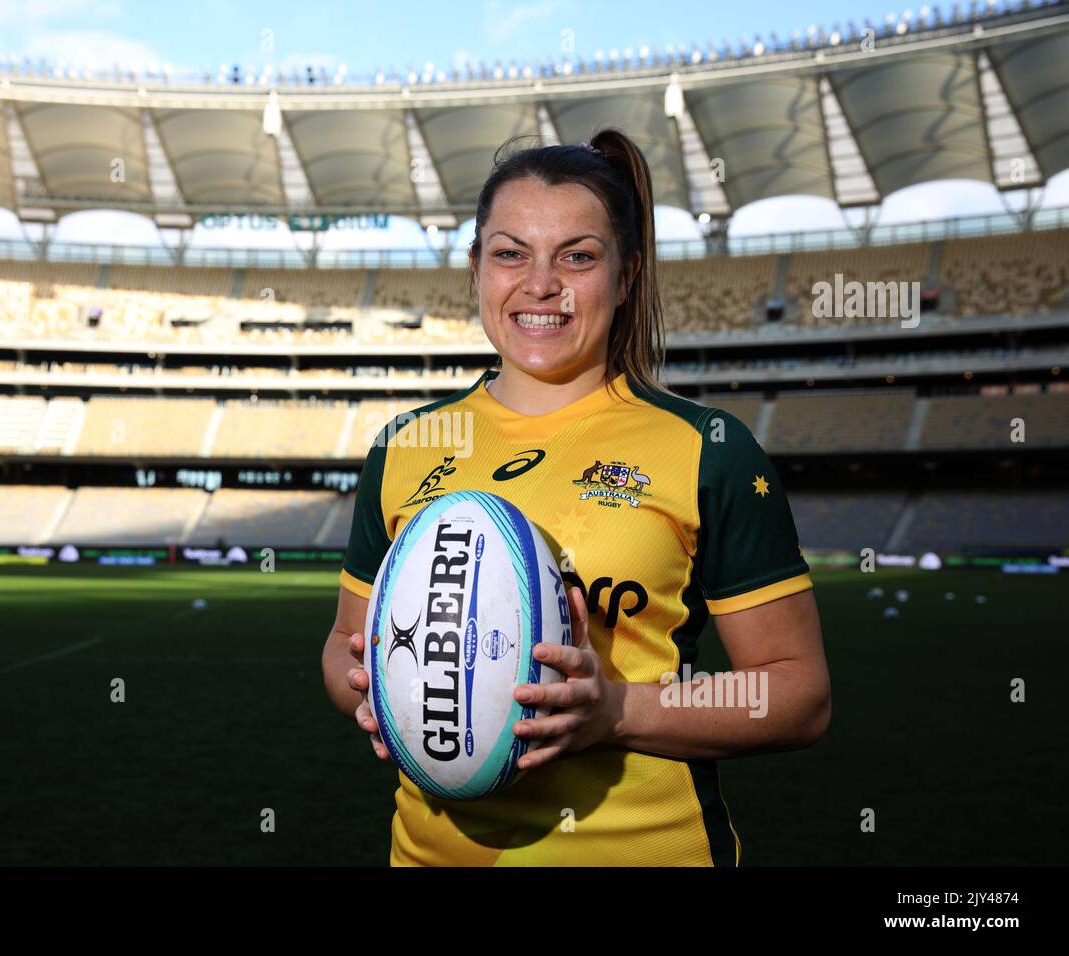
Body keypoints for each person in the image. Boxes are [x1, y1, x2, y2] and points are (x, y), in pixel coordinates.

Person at [320, 127, 831, 866]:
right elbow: (344, 644)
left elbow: (799, 695)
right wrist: (371, 691)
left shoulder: (706, 450)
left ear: (626, 277)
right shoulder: (406, 445)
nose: (539, 285)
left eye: (578, 256)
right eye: (510, 253)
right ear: (475, 269)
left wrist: (618, 711)